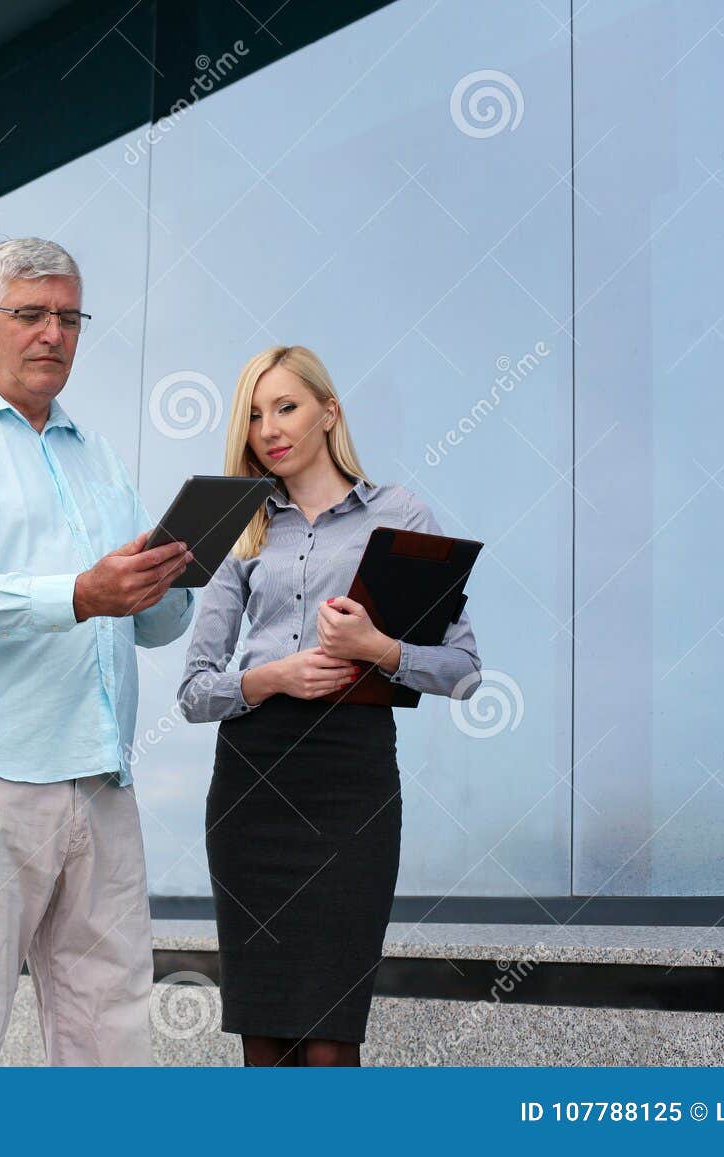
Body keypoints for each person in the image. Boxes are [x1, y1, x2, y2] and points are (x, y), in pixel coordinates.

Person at [0, 237, 196, 1066]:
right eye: (31, 314)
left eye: (69, 317)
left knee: (112, 1045)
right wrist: (83, 592)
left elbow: (153, 628)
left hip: (100, 784)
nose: (54, 332)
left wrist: (168, 580)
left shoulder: (99, 456)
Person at [177, 344, 481, 1067]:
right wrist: (272, 677)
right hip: (253, 783)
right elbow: (193, 690)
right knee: (266, 1036)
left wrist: (377, 646)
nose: (269, 428)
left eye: (286, 406)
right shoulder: (240, 524)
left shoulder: (399, 512)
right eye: (253, 415)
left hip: (352, 779)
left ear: (329, 411)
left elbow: (465, 671)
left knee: (330, 1036)